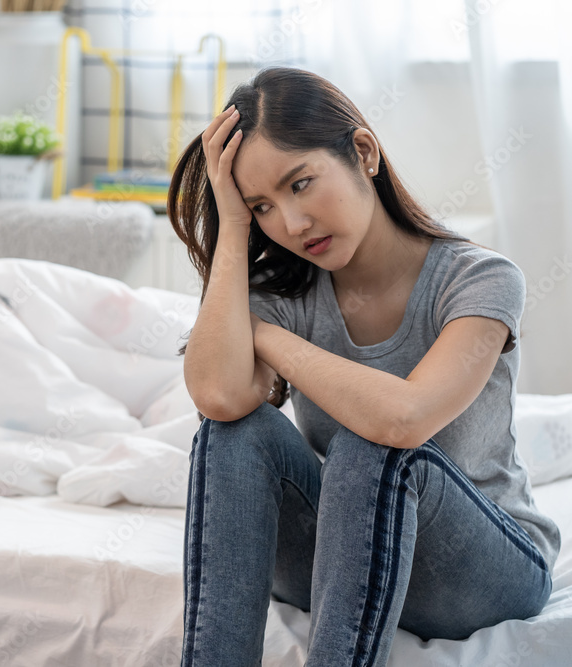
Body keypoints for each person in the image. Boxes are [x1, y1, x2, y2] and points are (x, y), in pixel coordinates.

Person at [167, 67, 560, 666]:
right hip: (347, 560)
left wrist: (267, 336)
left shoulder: (480, 278)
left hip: (481, 572)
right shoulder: (289, 289)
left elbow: (404, 419)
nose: (292, 225)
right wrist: (233, 230)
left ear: (363, 152)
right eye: (263, 207)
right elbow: (218, 397)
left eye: (300, 184)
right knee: (237, 434)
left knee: (369, 444)